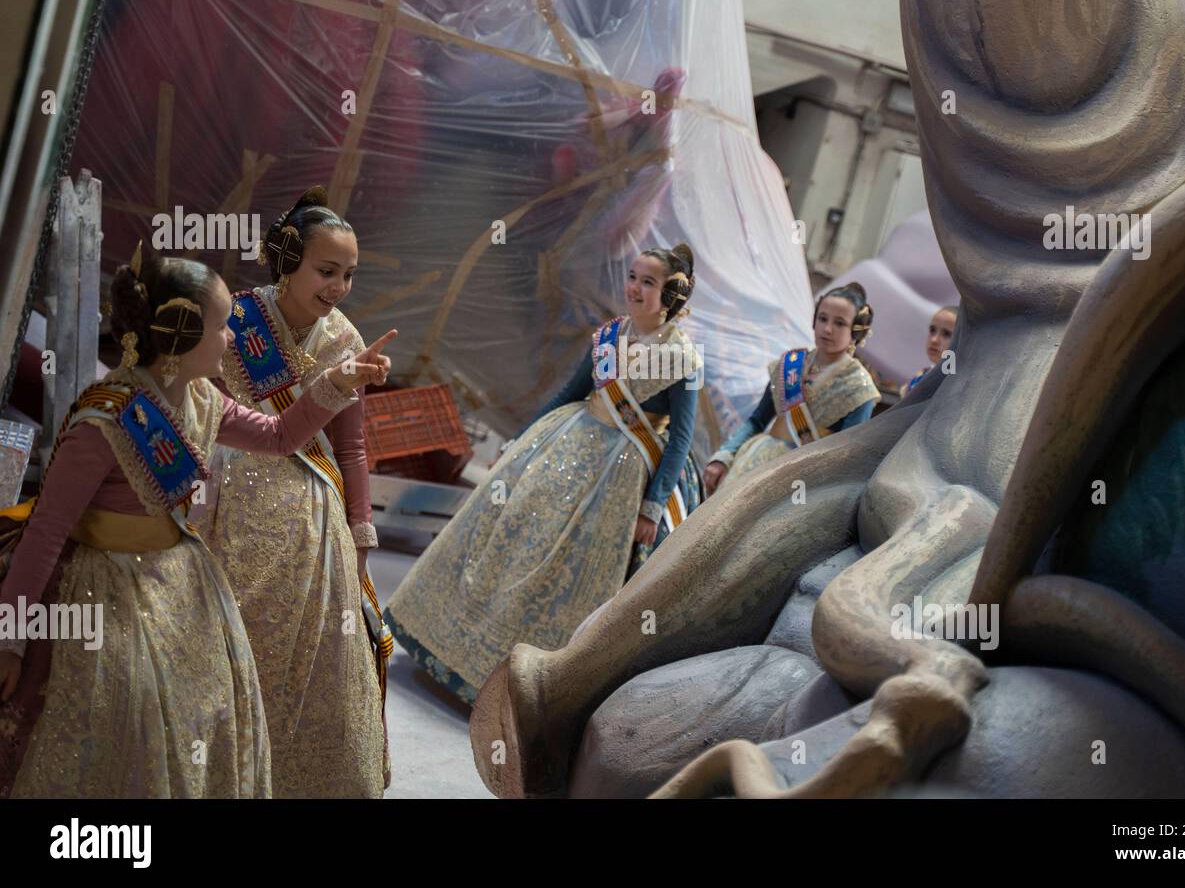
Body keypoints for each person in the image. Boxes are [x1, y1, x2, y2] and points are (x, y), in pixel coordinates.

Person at [0, 246, 393, 797]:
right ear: (180, 338)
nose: (232, 339)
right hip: (107, 595)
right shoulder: (104, 420)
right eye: (220, 328)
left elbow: (280, 437)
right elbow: (45, 532)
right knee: (124, 725)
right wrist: (11, 641)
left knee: (205, 717)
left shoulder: (204, 400)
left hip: (184, 587)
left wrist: (341, 379)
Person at [384, 243, 702, 705]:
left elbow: (680, 439)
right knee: (510, 535)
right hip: (565, 445)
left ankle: (529, 689)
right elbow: (566, 395)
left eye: (648, 282)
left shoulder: (684, 360)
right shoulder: (608, 337)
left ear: (670, 295)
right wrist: (518, 445)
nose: (634, 288)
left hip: (623, 473)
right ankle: (450, 648)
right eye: (632, 276)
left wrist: (653, 506)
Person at [196, 187, 388, 797]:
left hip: (312, 509)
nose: (338, 286)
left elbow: (352, 449)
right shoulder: (236, 321)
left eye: (349, 275)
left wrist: (360, 531)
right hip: (225, 500)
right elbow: (200, 406)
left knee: (317, 662)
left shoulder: (346, 340)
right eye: (326, 271)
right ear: (287, 262)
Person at [703, 283, 879, 492]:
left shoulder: (859, 386)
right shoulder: (790, 364)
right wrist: (725, 455)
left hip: (804, 479)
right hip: (754, 463)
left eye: (839, 323)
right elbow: (758, 420)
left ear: (855, 332)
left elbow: (847, 455)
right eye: (822, 319)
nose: (828, 329)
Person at [900, 305, 958, 397]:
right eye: (932, 330)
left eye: (947, 334)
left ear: (962, 340)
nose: (934, 340)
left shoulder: (959, 386)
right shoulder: (918, 378)